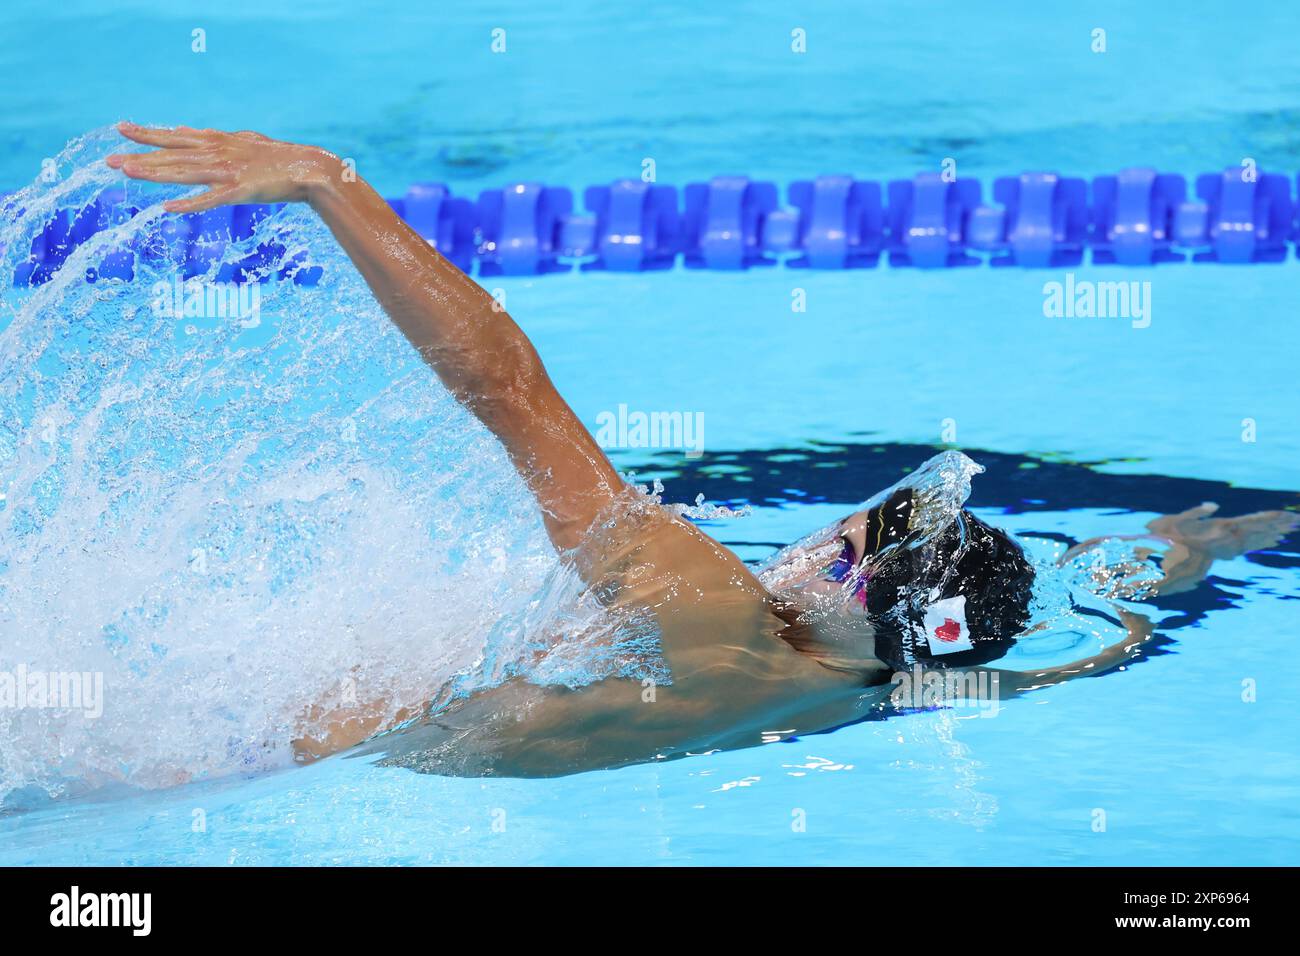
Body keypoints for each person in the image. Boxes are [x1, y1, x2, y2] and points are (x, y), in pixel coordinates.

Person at [107, 123, 1298, 777]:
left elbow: (504, 387)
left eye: (839, 538)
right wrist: (1194, 541)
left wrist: (333, 185)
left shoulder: (698, 597)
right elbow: (1082, 604)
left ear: (844, 569)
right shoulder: (874, 683)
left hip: (211, 753)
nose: (813, 539)